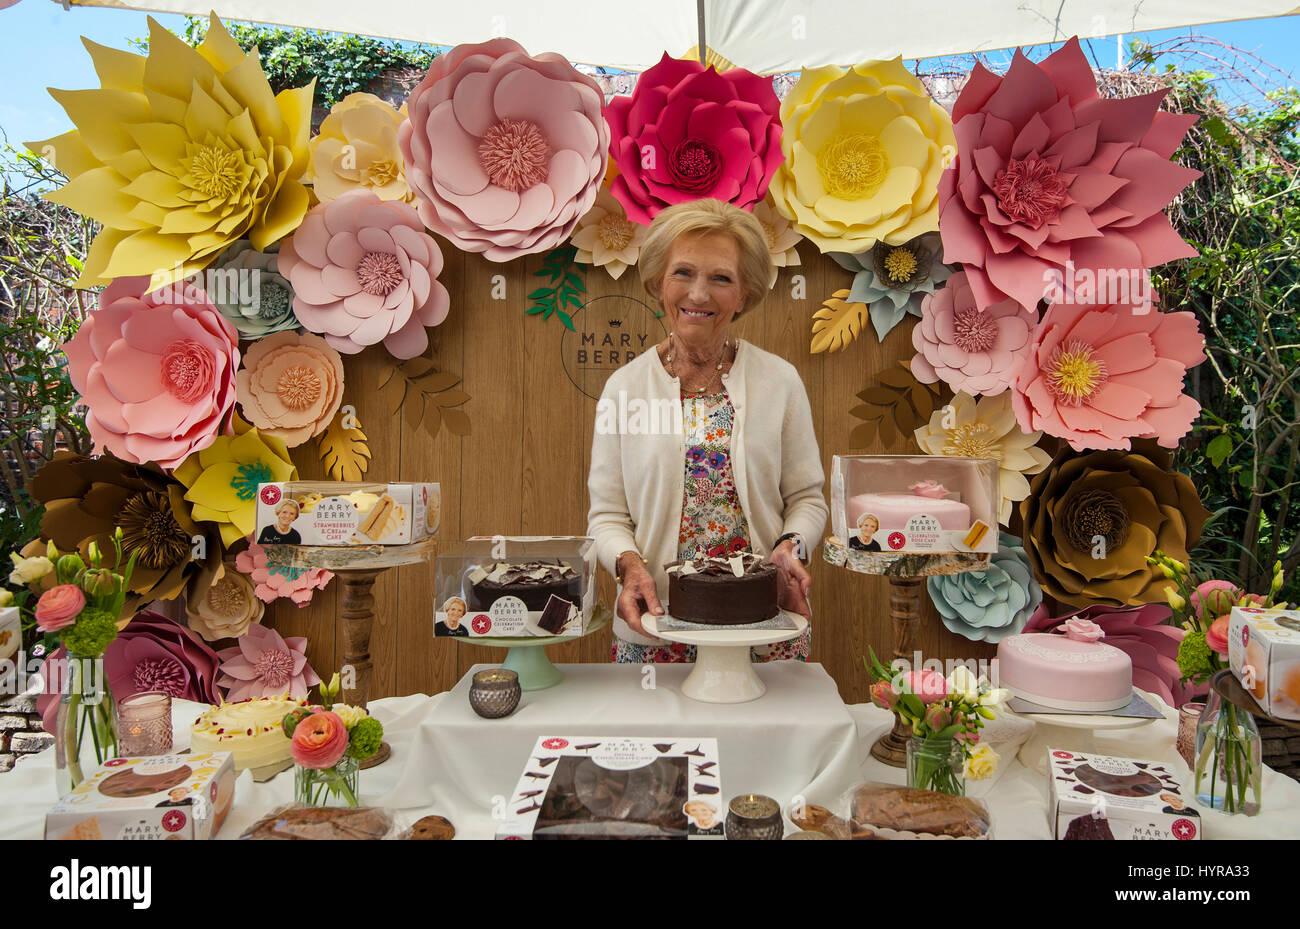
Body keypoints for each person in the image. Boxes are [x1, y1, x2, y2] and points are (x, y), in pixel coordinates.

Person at [587, 198, 828, 663]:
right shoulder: (624, 388)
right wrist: (629, 565)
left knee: (763, 737)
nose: (698, 294)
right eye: (683, 273)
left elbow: (806, 498)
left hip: (764, 628)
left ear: (744, 294)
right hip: (656, 625)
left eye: (721, 278)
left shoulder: (779, 381)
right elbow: (607, 516)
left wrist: (790, 546)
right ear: (660, 282)